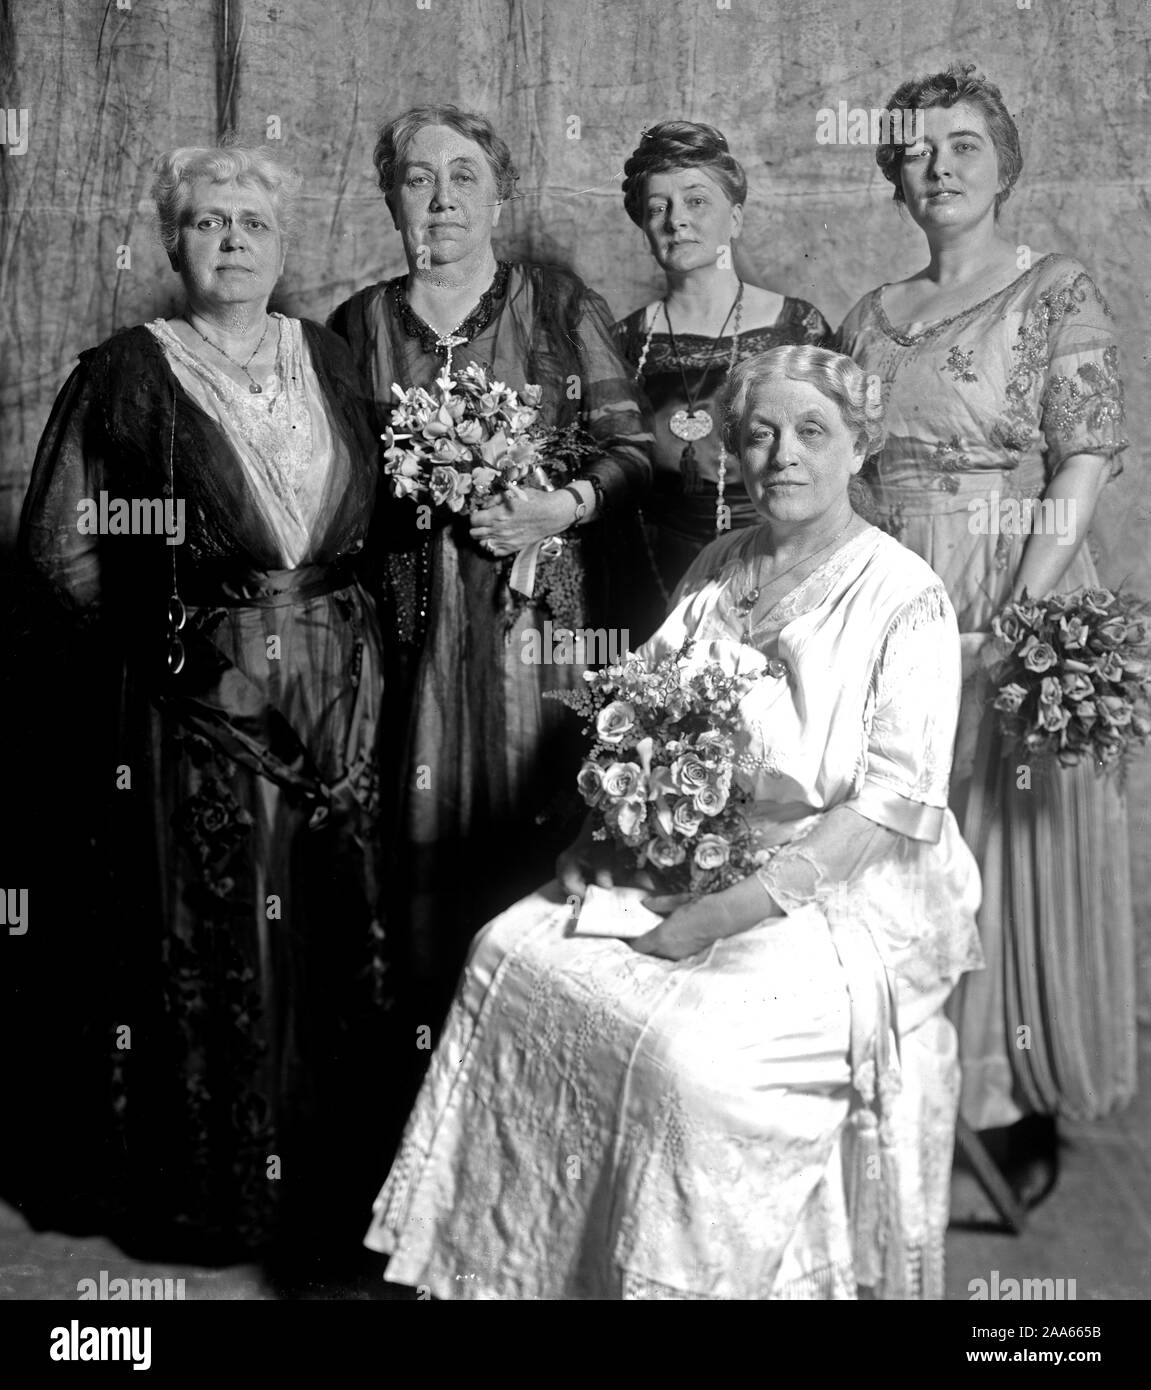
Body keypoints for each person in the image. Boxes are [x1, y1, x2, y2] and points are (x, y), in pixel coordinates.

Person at [362, 345, 983, 1300]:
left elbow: (883, 811)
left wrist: (715, 918)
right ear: (733, 448)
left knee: (689, 1062)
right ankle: (516, 1272)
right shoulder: (718, 563)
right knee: (503, 950)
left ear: (860, 448)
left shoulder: (905, 596)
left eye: (812, 432)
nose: (782, 454)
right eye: (759, 433)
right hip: (687, 848)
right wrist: (593, 838)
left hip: (838, 891)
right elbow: (641, 704)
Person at [12, 145, 392, 1269]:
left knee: (326, 921)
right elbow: (61, 553)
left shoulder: (328, 354)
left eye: (252, 223)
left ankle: (329, 1198)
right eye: (208, 221)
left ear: (281, 244)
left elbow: (374, 525)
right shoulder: (127, 371)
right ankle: (218, 1196)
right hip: (199, 696)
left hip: (340, 682)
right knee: (221, 928)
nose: (232, 240)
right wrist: (175, 658)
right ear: (172, 243)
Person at [835, 63, 1134, 1206]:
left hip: (1016, 578)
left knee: (1001, 844)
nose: (938, 166)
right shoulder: (870, 316)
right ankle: (905, 1095)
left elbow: (1081, 462)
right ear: (893, 177)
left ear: (1001, 164)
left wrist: (1014, 611)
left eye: (961, 145)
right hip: (897, 588)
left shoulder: (1053, 288)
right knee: (902, 833)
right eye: (914, 151)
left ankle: (1002, 1107)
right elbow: (846, 474)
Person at [330, 105, 652, 1024]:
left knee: (538, 809)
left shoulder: (555, 305)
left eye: (463, 176)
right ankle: (429, 1042)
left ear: (498, 197)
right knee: (417, 822)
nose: (441, 198)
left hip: (539, 617)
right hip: (408, 626)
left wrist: (561, 506)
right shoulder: (357, 324)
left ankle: (539, 1036)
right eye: (418, 178)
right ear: (391, 199)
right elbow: (333, 486)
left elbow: (633, 451)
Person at [613, 121, 831, 636]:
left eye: (696, 201)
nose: (676, 220)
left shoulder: (796, 328)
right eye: (658, 207)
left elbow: (831, 464)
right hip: (649, 573)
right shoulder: (622, 339)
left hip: (775, 565)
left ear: (734, 218)